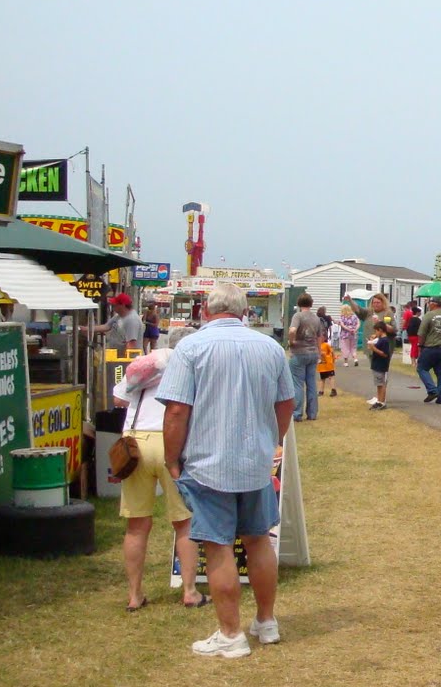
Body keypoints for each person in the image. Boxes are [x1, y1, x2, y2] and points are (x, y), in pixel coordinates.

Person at [158, 281, 295, 659]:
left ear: (206, 310)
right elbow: (286, 402)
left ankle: (230, 633)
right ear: (245, 311)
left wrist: (172, 459)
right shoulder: (269, 347)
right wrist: (273, 439)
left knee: (218, 548)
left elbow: (176, 411)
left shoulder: (191, 347)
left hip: (207, 463)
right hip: (254, 462)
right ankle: (266, 622)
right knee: (258, 540)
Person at [114, 348, 205, 611]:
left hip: (136, 442)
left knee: (136, 524)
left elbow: (118, 398)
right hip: (169, 440)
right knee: (183, 522)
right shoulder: (187, 364)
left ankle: (135, 595)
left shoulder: (144, 365)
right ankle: (189, 591)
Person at [287, 293, 322, 422]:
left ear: (299, 303)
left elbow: (292, 330)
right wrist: (320, 352)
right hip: (313, 352)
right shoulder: (316, 318)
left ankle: (297, 413)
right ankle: (312, 413)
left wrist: (291, 341)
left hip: (299, 352)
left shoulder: (298, 316)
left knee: (297, 383)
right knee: (311, 383)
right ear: (311, 303)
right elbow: (319, 336)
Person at [416, 298, 441, 404]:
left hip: (430, 347)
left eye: (429, 303)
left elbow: (422, 333)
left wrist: (420, 346)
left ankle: (432, 390)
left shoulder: (428, 315)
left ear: (433, 304)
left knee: (422, 368)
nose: (428, 305)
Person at [367, 320, 393, 409]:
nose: (375, 333)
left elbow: (384, 354)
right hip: (376, 365)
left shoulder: (385, 341)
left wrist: (374, 348)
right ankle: (379, 400)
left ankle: (382, 402)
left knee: (382, 384)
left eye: (376, 331)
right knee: (378, 384)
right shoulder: (379, 339)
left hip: (381, 366)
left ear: (381, 330)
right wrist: (372, 340)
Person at [336, 303, 361, 369]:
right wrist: (355, 329)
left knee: (345, 348)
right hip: (354, 334)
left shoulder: (342, 317)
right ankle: (355, 359)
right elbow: (358, 323)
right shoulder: (354, 316)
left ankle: (346, 362)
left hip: (345, 335)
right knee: (353, 347)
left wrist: (349, 329)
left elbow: (342, 325)